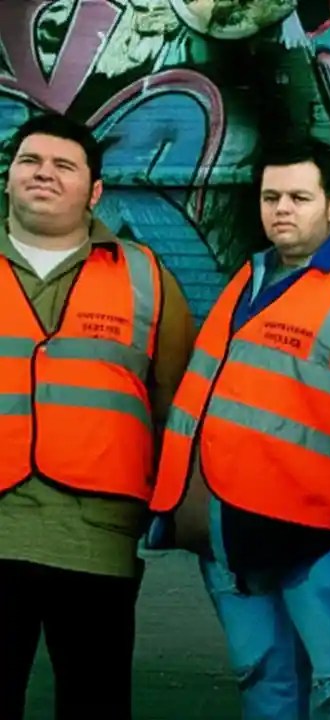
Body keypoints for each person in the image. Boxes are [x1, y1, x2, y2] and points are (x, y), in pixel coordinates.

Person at [147, 140, 330, 719]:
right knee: (266, 682)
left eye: (299, 197)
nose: (282, 209)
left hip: (324, 534)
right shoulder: (252, 272)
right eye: (271, 197)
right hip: (233, 529)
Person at [0, 112, 194, 719]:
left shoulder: (147, 278)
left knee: (95, 701)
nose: (44, 175)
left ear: (96, 190)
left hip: (96, 542)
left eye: (64, 165)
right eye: (31, 161)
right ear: (8, 177)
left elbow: (174, 406)